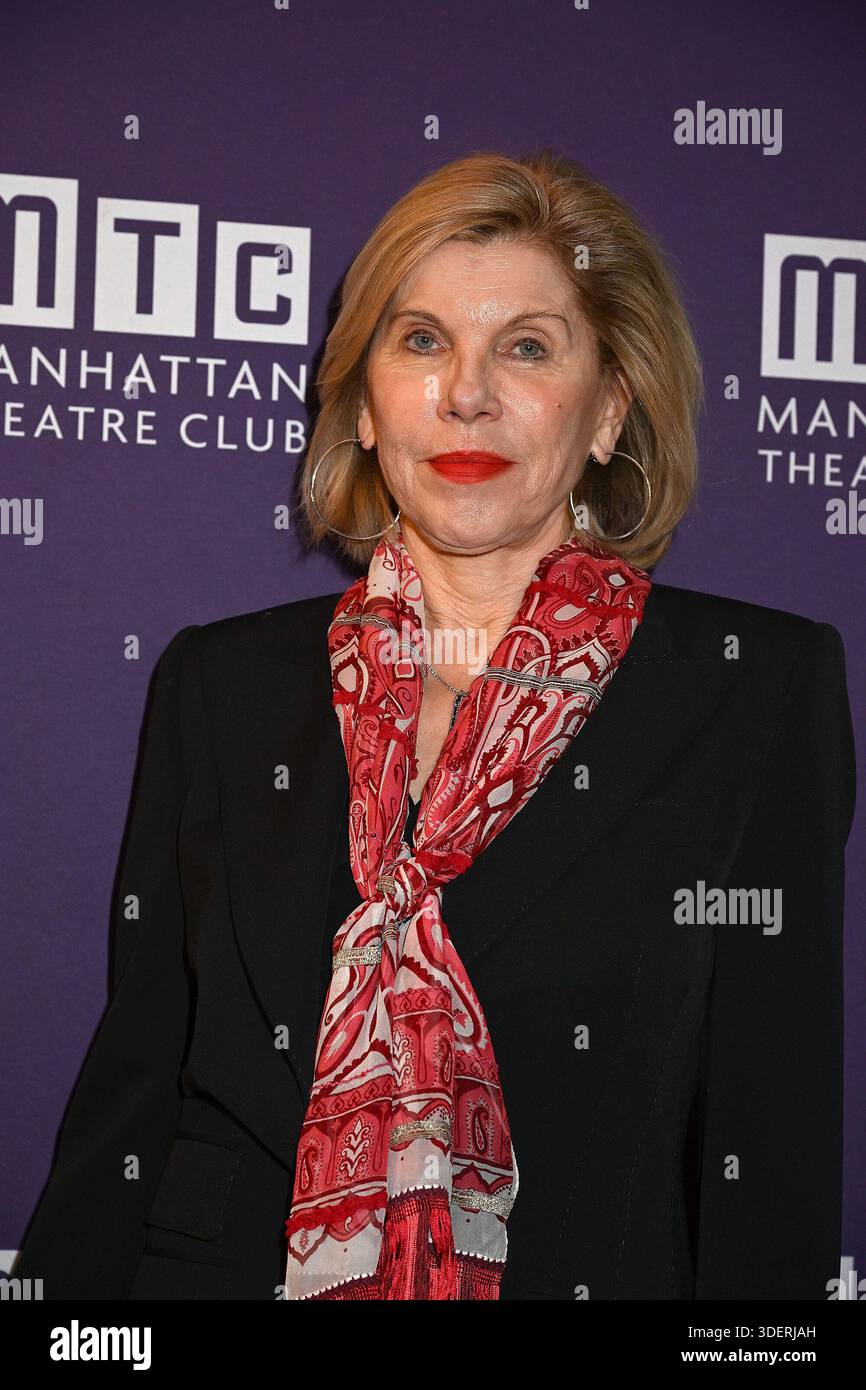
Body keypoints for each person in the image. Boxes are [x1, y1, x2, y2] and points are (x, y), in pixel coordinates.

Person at [14, 149, 855, 1300]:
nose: (466, 392)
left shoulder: (751, 690)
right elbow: (136, 1086)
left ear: (608, 409)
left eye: (525, 346)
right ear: (364, 403)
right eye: (419, 342)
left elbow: (769, 1140)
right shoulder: (221, 684)